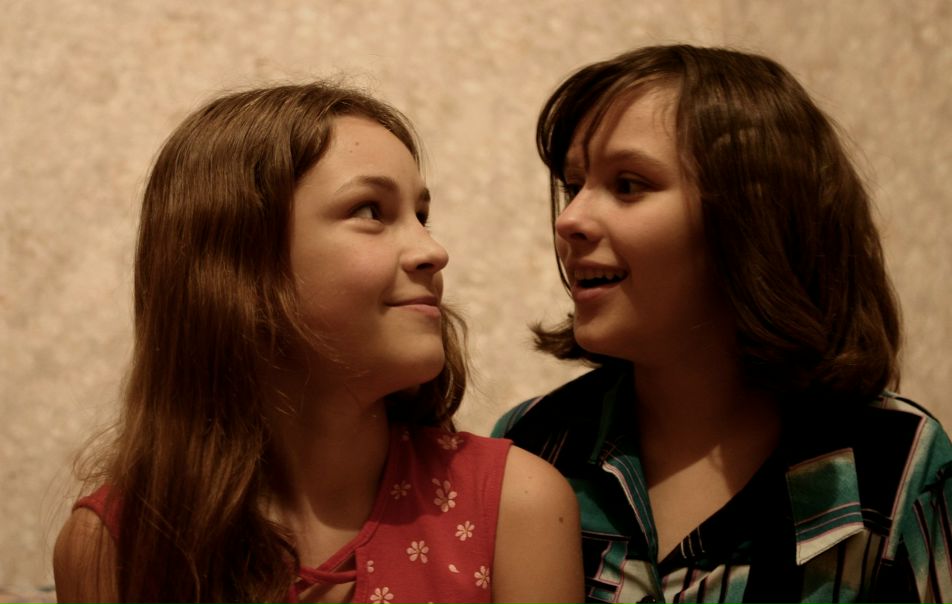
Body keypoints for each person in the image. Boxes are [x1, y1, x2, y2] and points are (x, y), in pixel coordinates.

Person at [53, 82, 584, 604]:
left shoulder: (514, 506)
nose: (433, 250)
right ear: (239, 264)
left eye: (421, 216)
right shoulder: (115, 548)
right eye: (371, 211)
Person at [493, 44, 952, 603]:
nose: (569, 219)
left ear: (754, 217)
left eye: (628, 185)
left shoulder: (894, 464)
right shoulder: (533, 446)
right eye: (573, 186)